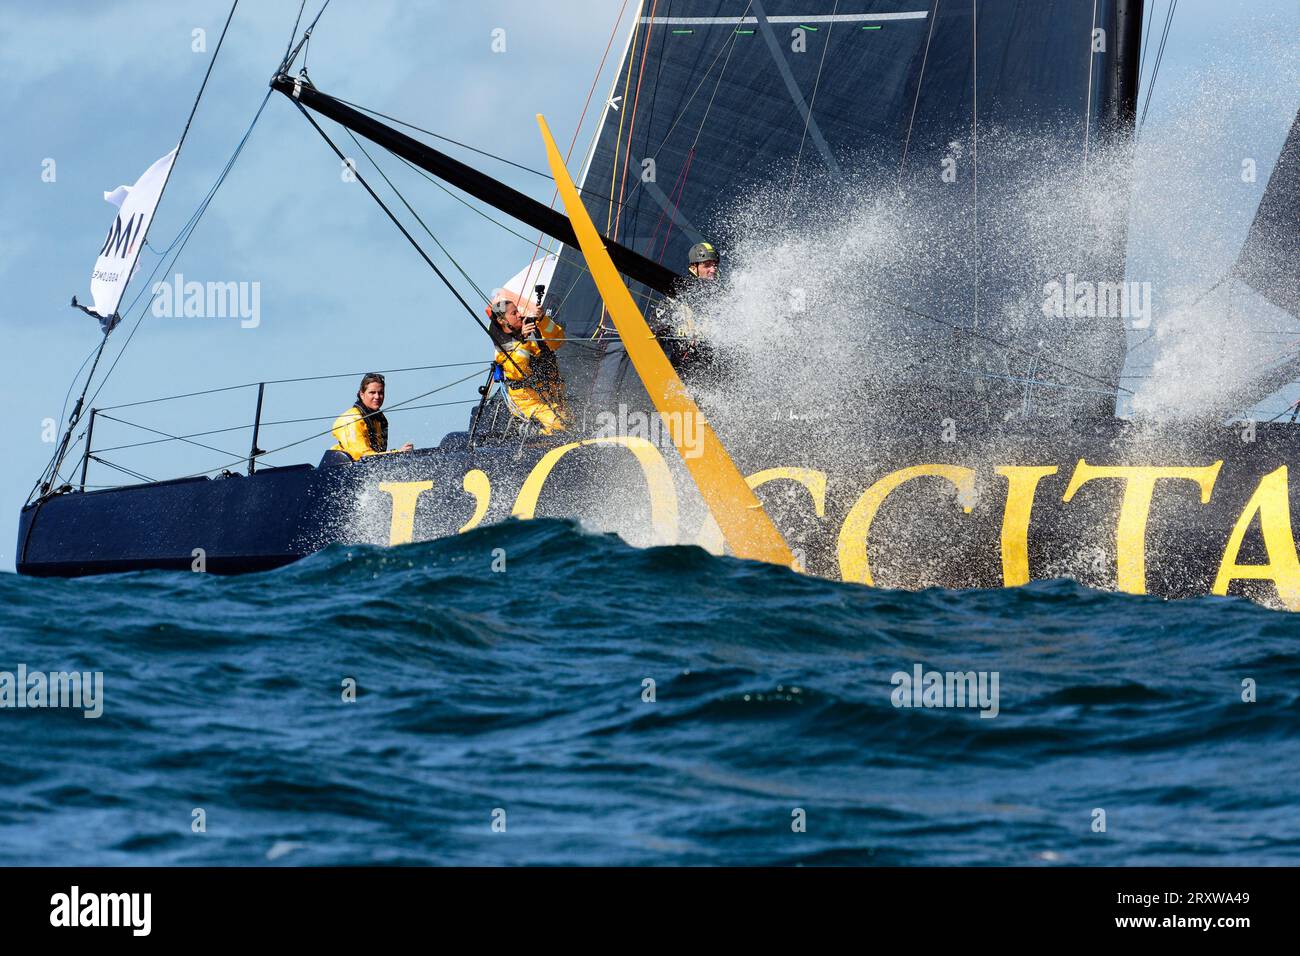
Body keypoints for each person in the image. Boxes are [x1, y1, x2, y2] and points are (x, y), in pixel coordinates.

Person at [488, 298, 569, 434]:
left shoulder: (532, 325)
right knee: (558, 425)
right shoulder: (501, 350)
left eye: (517, 311)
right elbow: (518, 373)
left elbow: (558, 341)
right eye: (514, 313)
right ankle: (530, 431)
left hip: (552, 395)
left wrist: (543, 319)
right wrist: (523, 340)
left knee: (572, 422)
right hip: (529, 402)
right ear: (502, 321)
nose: (519, 314)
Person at [323, 372, 414, 464]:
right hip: (339, 472)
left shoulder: (378, 418)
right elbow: (363, 455)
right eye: (372, 392)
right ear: (362, 394)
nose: (377, 397)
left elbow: (377, 455)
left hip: (363, 469)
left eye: (381, 393)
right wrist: (398, 454)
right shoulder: (351, 419)